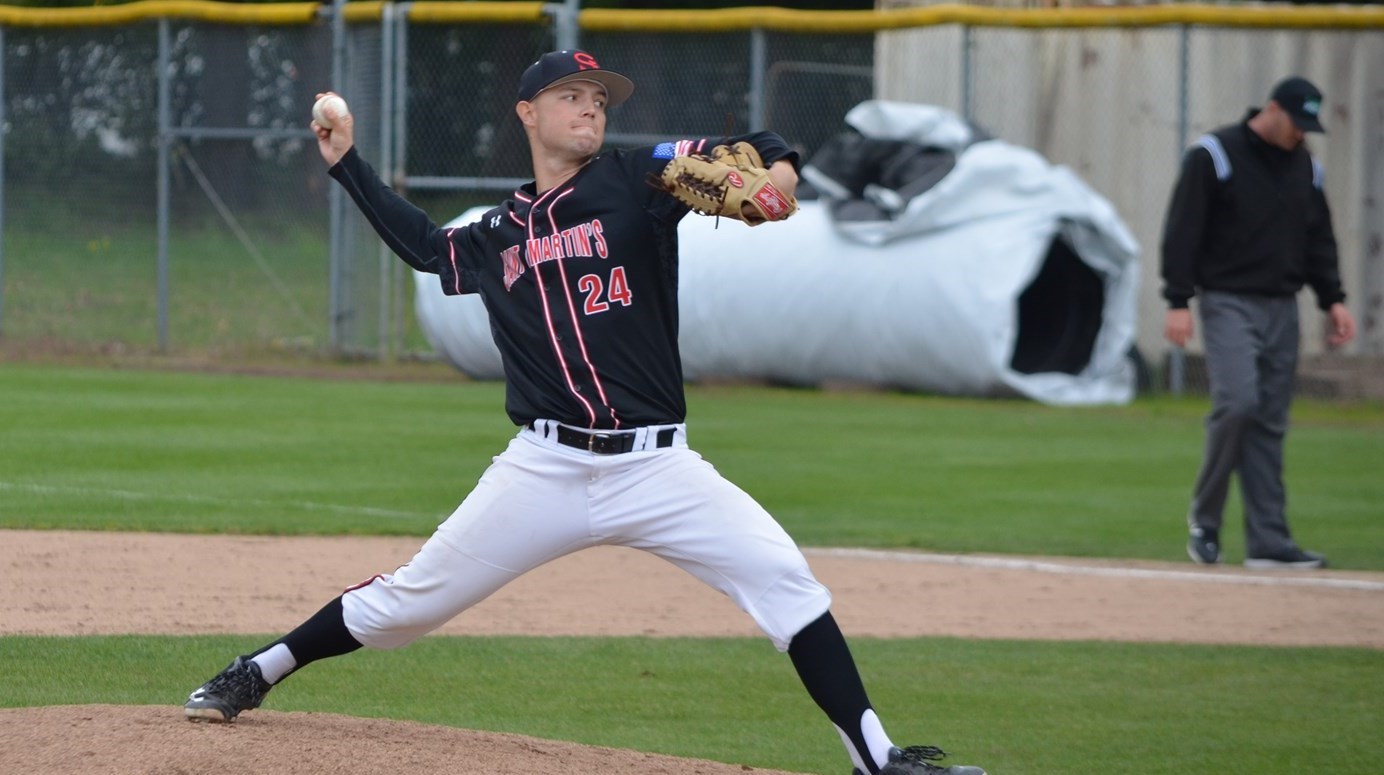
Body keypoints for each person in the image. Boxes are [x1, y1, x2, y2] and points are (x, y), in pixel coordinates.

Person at [181, 50, 987, 775]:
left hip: (657, 466)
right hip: (546, 466)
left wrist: (776, 178)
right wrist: (346, 162)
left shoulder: (641, 179)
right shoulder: (498, 232)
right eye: (571, 96)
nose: (591, 108)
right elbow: (427, 247)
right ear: (528, 114)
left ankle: (878, 758)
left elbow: (762, 144)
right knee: (408, 603)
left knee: (785, 581)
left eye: (599, 98)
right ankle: (261, 668)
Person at [1160, 75, 1356, 570]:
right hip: (1227, 300)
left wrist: (1332, 298)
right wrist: (1178, 299)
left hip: (1282, 305)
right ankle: (1205, 521)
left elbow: (1319, 238)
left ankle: (1269, 541)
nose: (1301, 134)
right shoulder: (1215, 155)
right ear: (1271, 110)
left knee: (1270, 421)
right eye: (1296, 123)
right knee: (1238, 402)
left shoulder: (1305, 167)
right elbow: (1183, 228)